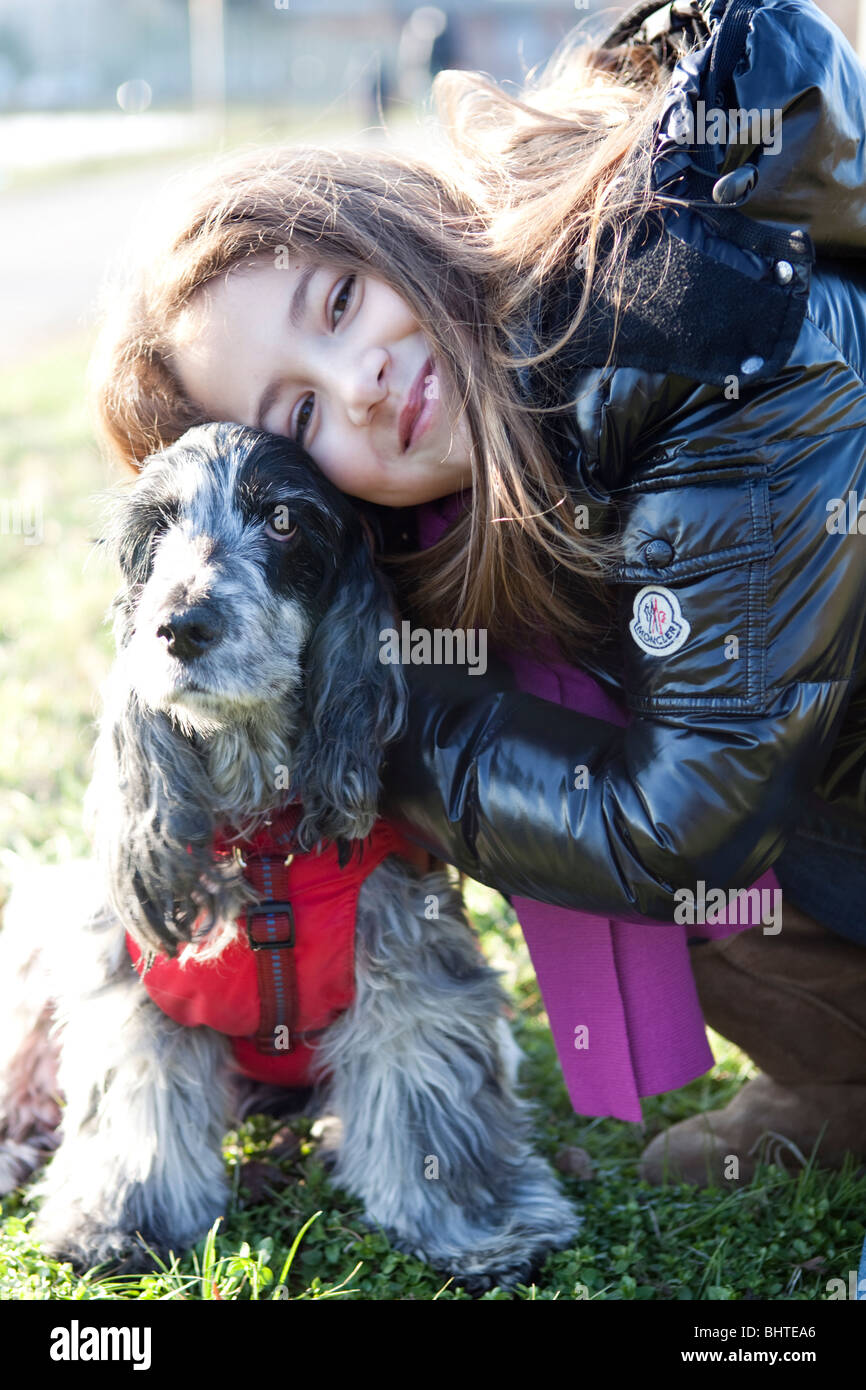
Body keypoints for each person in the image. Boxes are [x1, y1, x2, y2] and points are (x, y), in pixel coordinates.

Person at [89, 0, 866, 1183]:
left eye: (339, 301)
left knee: (595, 791)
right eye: (295, 415)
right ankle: (838, 1073)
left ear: (394, 223)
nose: (356, 384)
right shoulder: (502, 467)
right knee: (555, 727)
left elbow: (673, 827)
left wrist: (377, 710)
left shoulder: (699, 337)